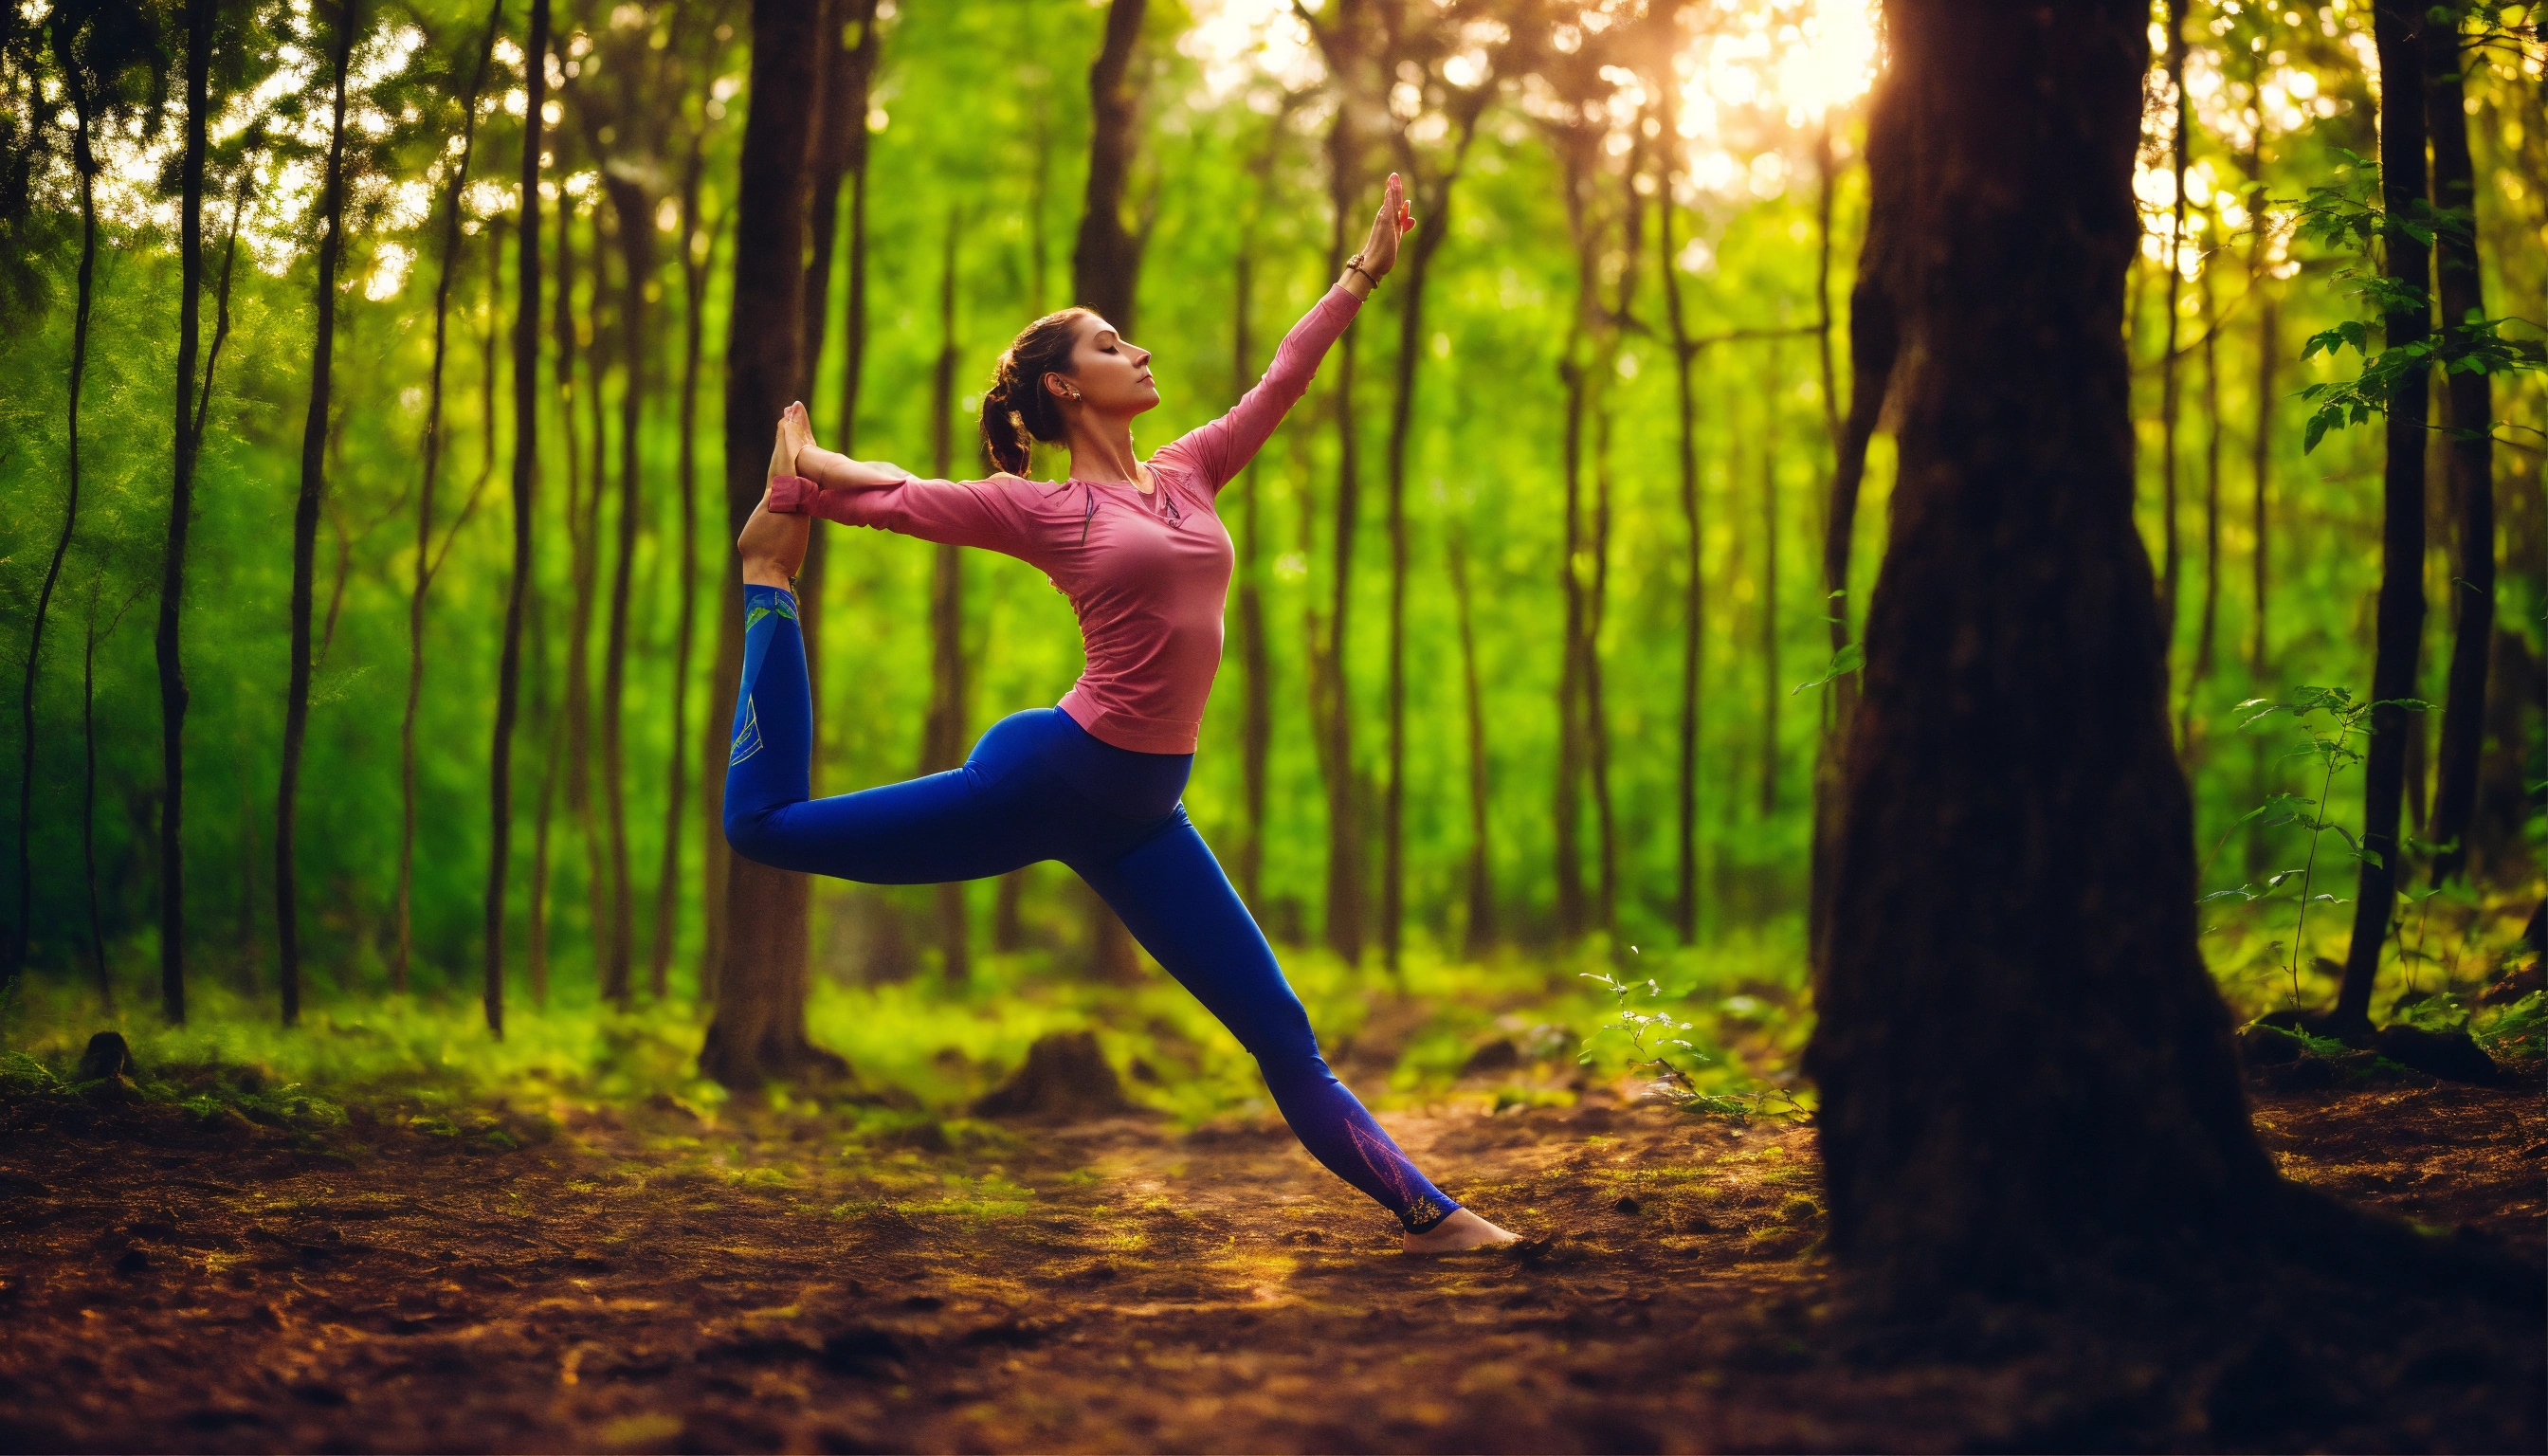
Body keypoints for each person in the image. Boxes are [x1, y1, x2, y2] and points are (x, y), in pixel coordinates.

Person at [725, 173, 1517, 1254]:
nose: (1138, 353)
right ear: (1062, 390)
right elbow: (900, 498)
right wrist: (804, 480)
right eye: (1109, 344)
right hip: (1044, 779)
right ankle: (768, 593)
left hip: (1146, 817)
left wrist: (1363, 272)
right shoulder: (1045, 511)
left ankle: (1442, 1221)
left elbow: (1284, 377)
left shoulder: (1190, 474)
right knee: (761, 832)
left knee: (1282, 1032)